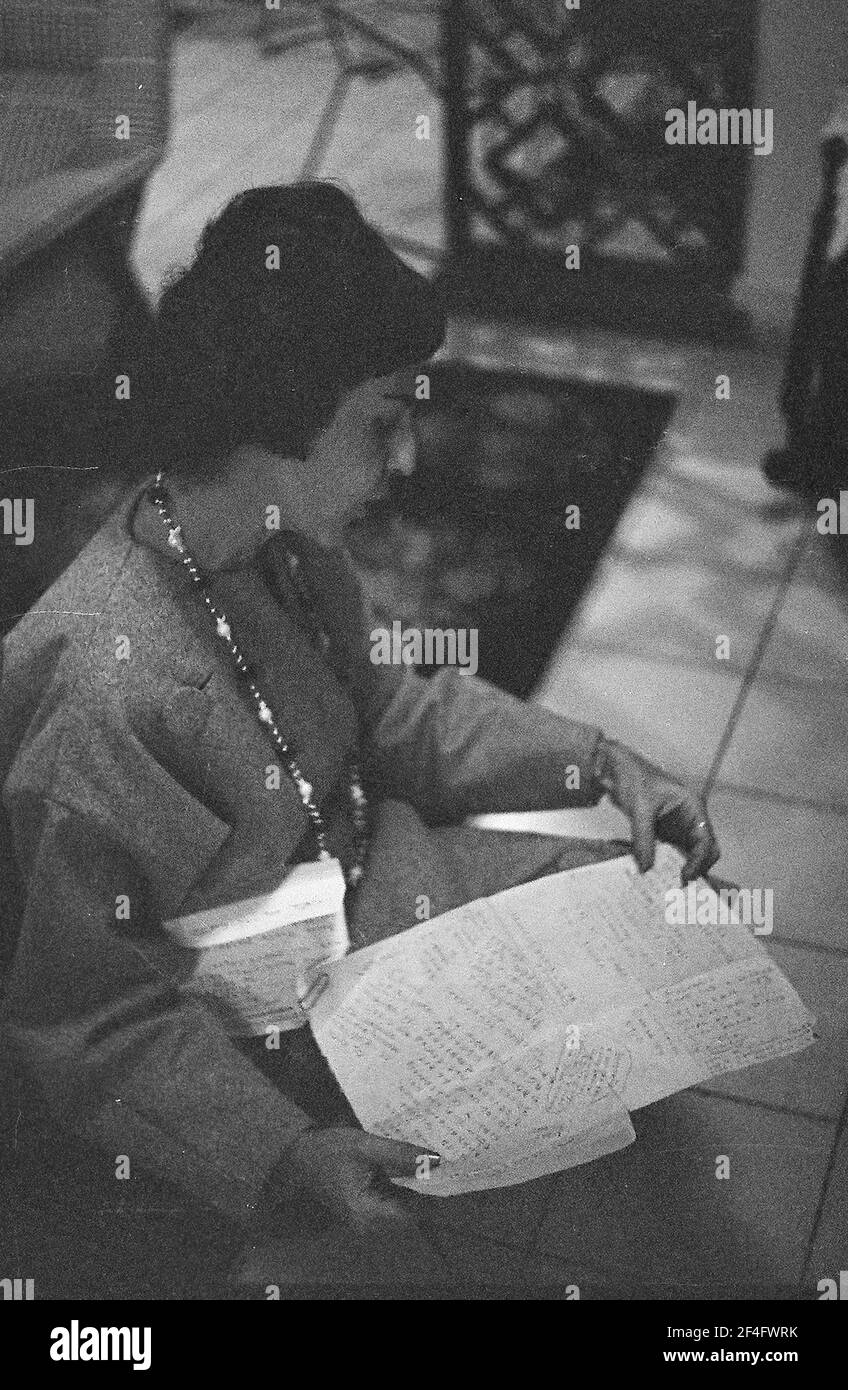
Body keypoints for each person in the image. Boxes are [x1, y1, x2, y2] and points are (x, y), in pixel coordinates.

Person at [0, 182, 719, 1297]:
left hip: (370, 903)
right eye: (384, 420)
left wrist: (596, 759)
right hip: (251, 1029)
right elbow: (88, 1016)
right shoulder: (105, 689)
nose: (411, 457)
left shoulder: (283, 544)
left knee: (655, 917)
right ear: (276, 416)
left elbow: (388, 712)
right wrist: (287, 1156)